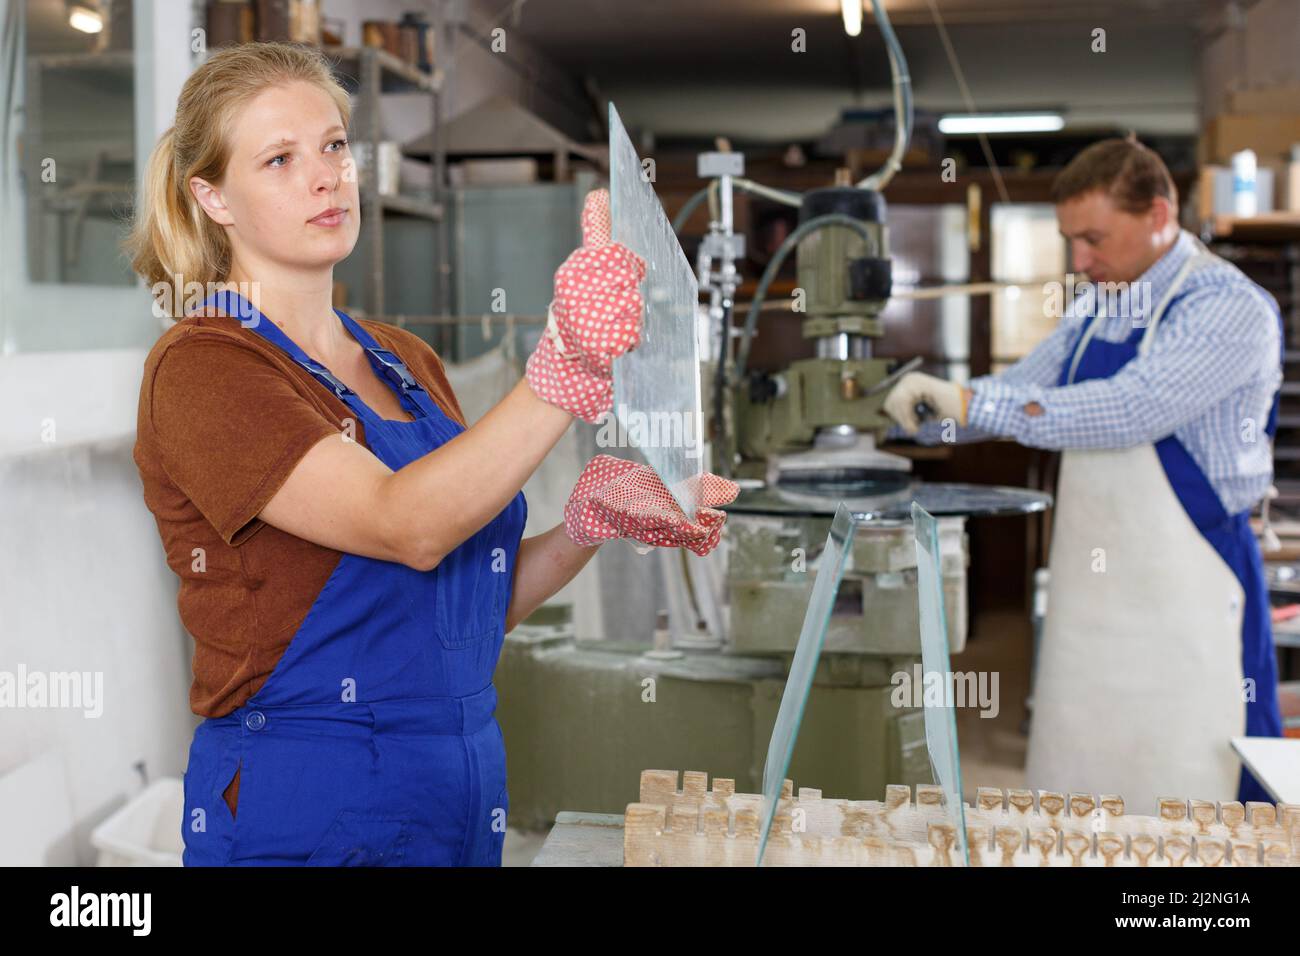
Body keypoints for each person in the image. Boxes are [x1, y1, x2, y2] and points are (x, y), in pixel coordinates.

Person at [126, 41, 737, 866]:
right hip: (309, 801)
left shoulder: (406, 362)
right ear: (213, 197)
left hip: (458, 787)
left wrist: (585, 527)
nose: (325, 176)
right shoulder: (204, 369)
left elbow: (466, 613)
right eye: (279, 158)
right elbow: (404, 525)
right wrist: (562, 372)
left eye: (335, 145)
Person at [883, 136, 1284, 813]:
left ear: (1160, 214)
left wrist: (976, 402)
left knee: (1193, 802)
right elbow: (1021, 392)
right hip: (1093, 604)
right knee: (1082, 789)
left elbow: (1128, 409)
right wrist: (926, 413)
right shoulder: (1102, 306)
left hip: (1189, 592)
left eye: (1094, 237)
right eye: (1070, 240)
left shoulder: (1226, 308)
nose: (1080, 259)